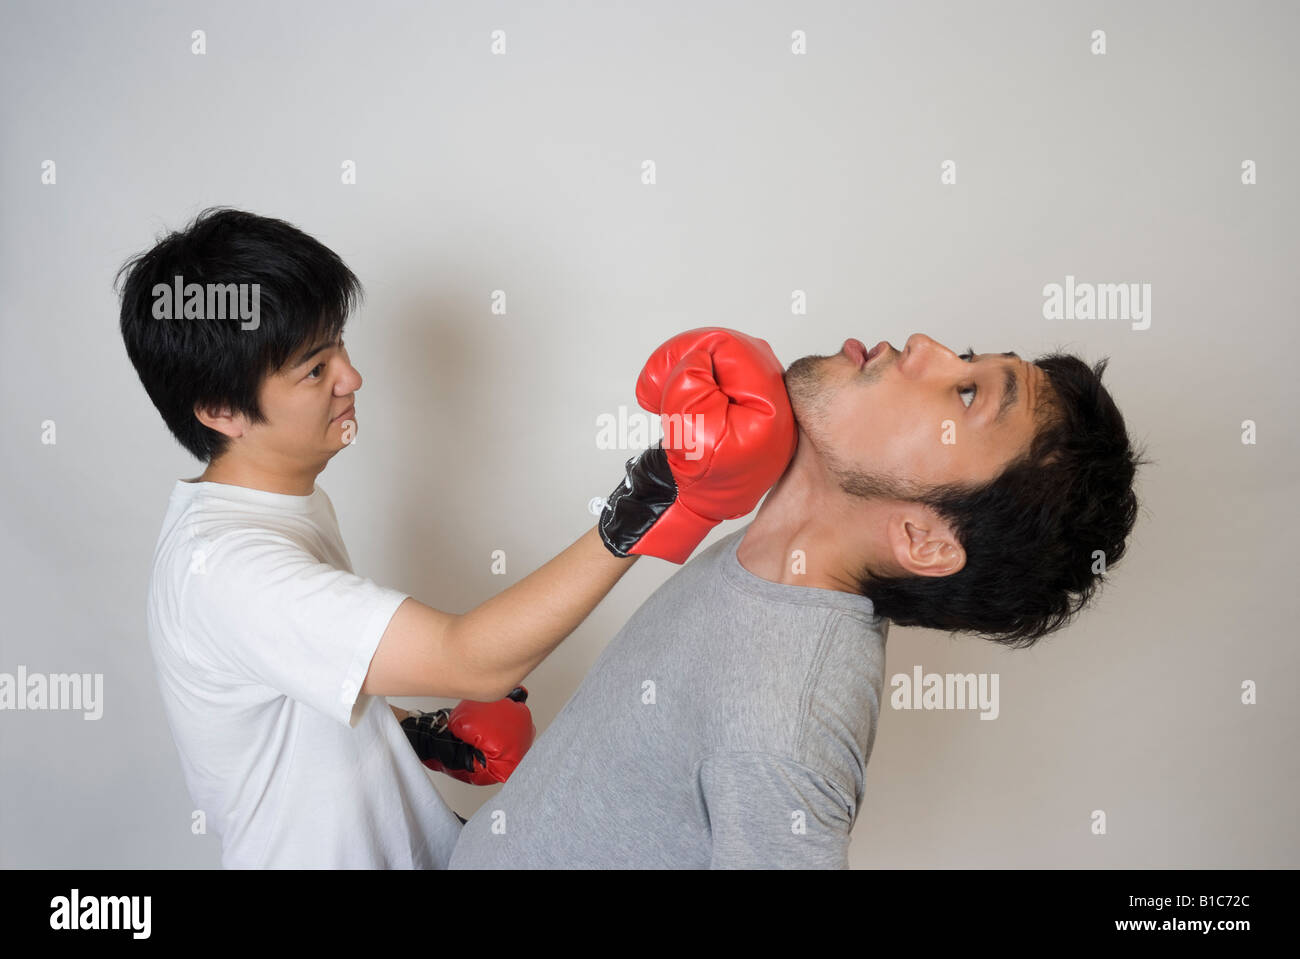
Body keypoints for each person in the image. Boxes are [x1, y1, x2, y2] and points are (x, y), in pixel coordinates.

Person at [115, 206, 795, 867]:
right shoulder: (231, 568)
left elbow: (294, 687)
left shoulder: (269, 504)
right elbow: (469, 658)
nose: (352, 378)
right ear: (222, 410)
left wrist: (423, 734)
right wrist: (658, 491)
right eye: (314, 369)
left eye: (339, 346)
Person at [449, 334, 1150, 868]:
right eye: (964, 356)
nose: (924, 347)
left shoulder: (790, 721)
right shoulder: (771, 567)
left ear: (923, 539)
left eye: (968, 394)